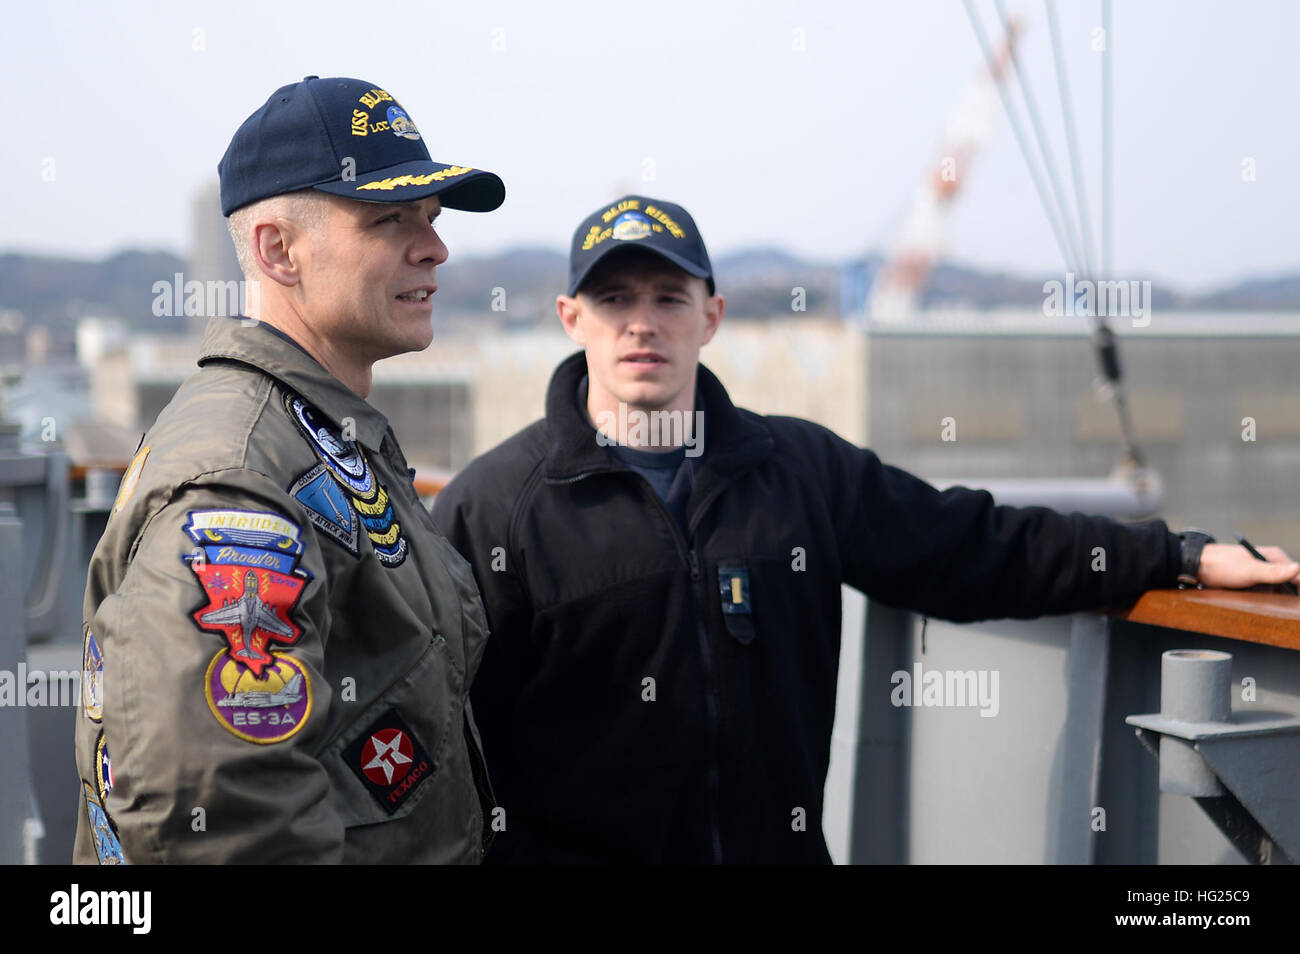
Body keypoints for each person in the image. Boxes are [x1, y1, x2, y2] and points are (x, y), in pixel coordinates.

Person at [432, 193, 1300, 864]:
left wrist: (1177, 554)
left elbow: (973, 545)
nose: (641, 322)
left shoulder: (799, 471)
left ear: (712, 316)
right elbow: (441, 739)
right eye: (613, 297)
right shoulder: (494, 507)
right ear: (570, 318)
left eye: (668, 294)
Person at [74, 76, 505, 864]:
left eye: (433, 220)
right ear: (277, 249)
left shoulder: (324, 435)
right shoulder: (237, 474)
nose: (435, 248)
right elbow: (218, 813)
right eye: (390, 219)